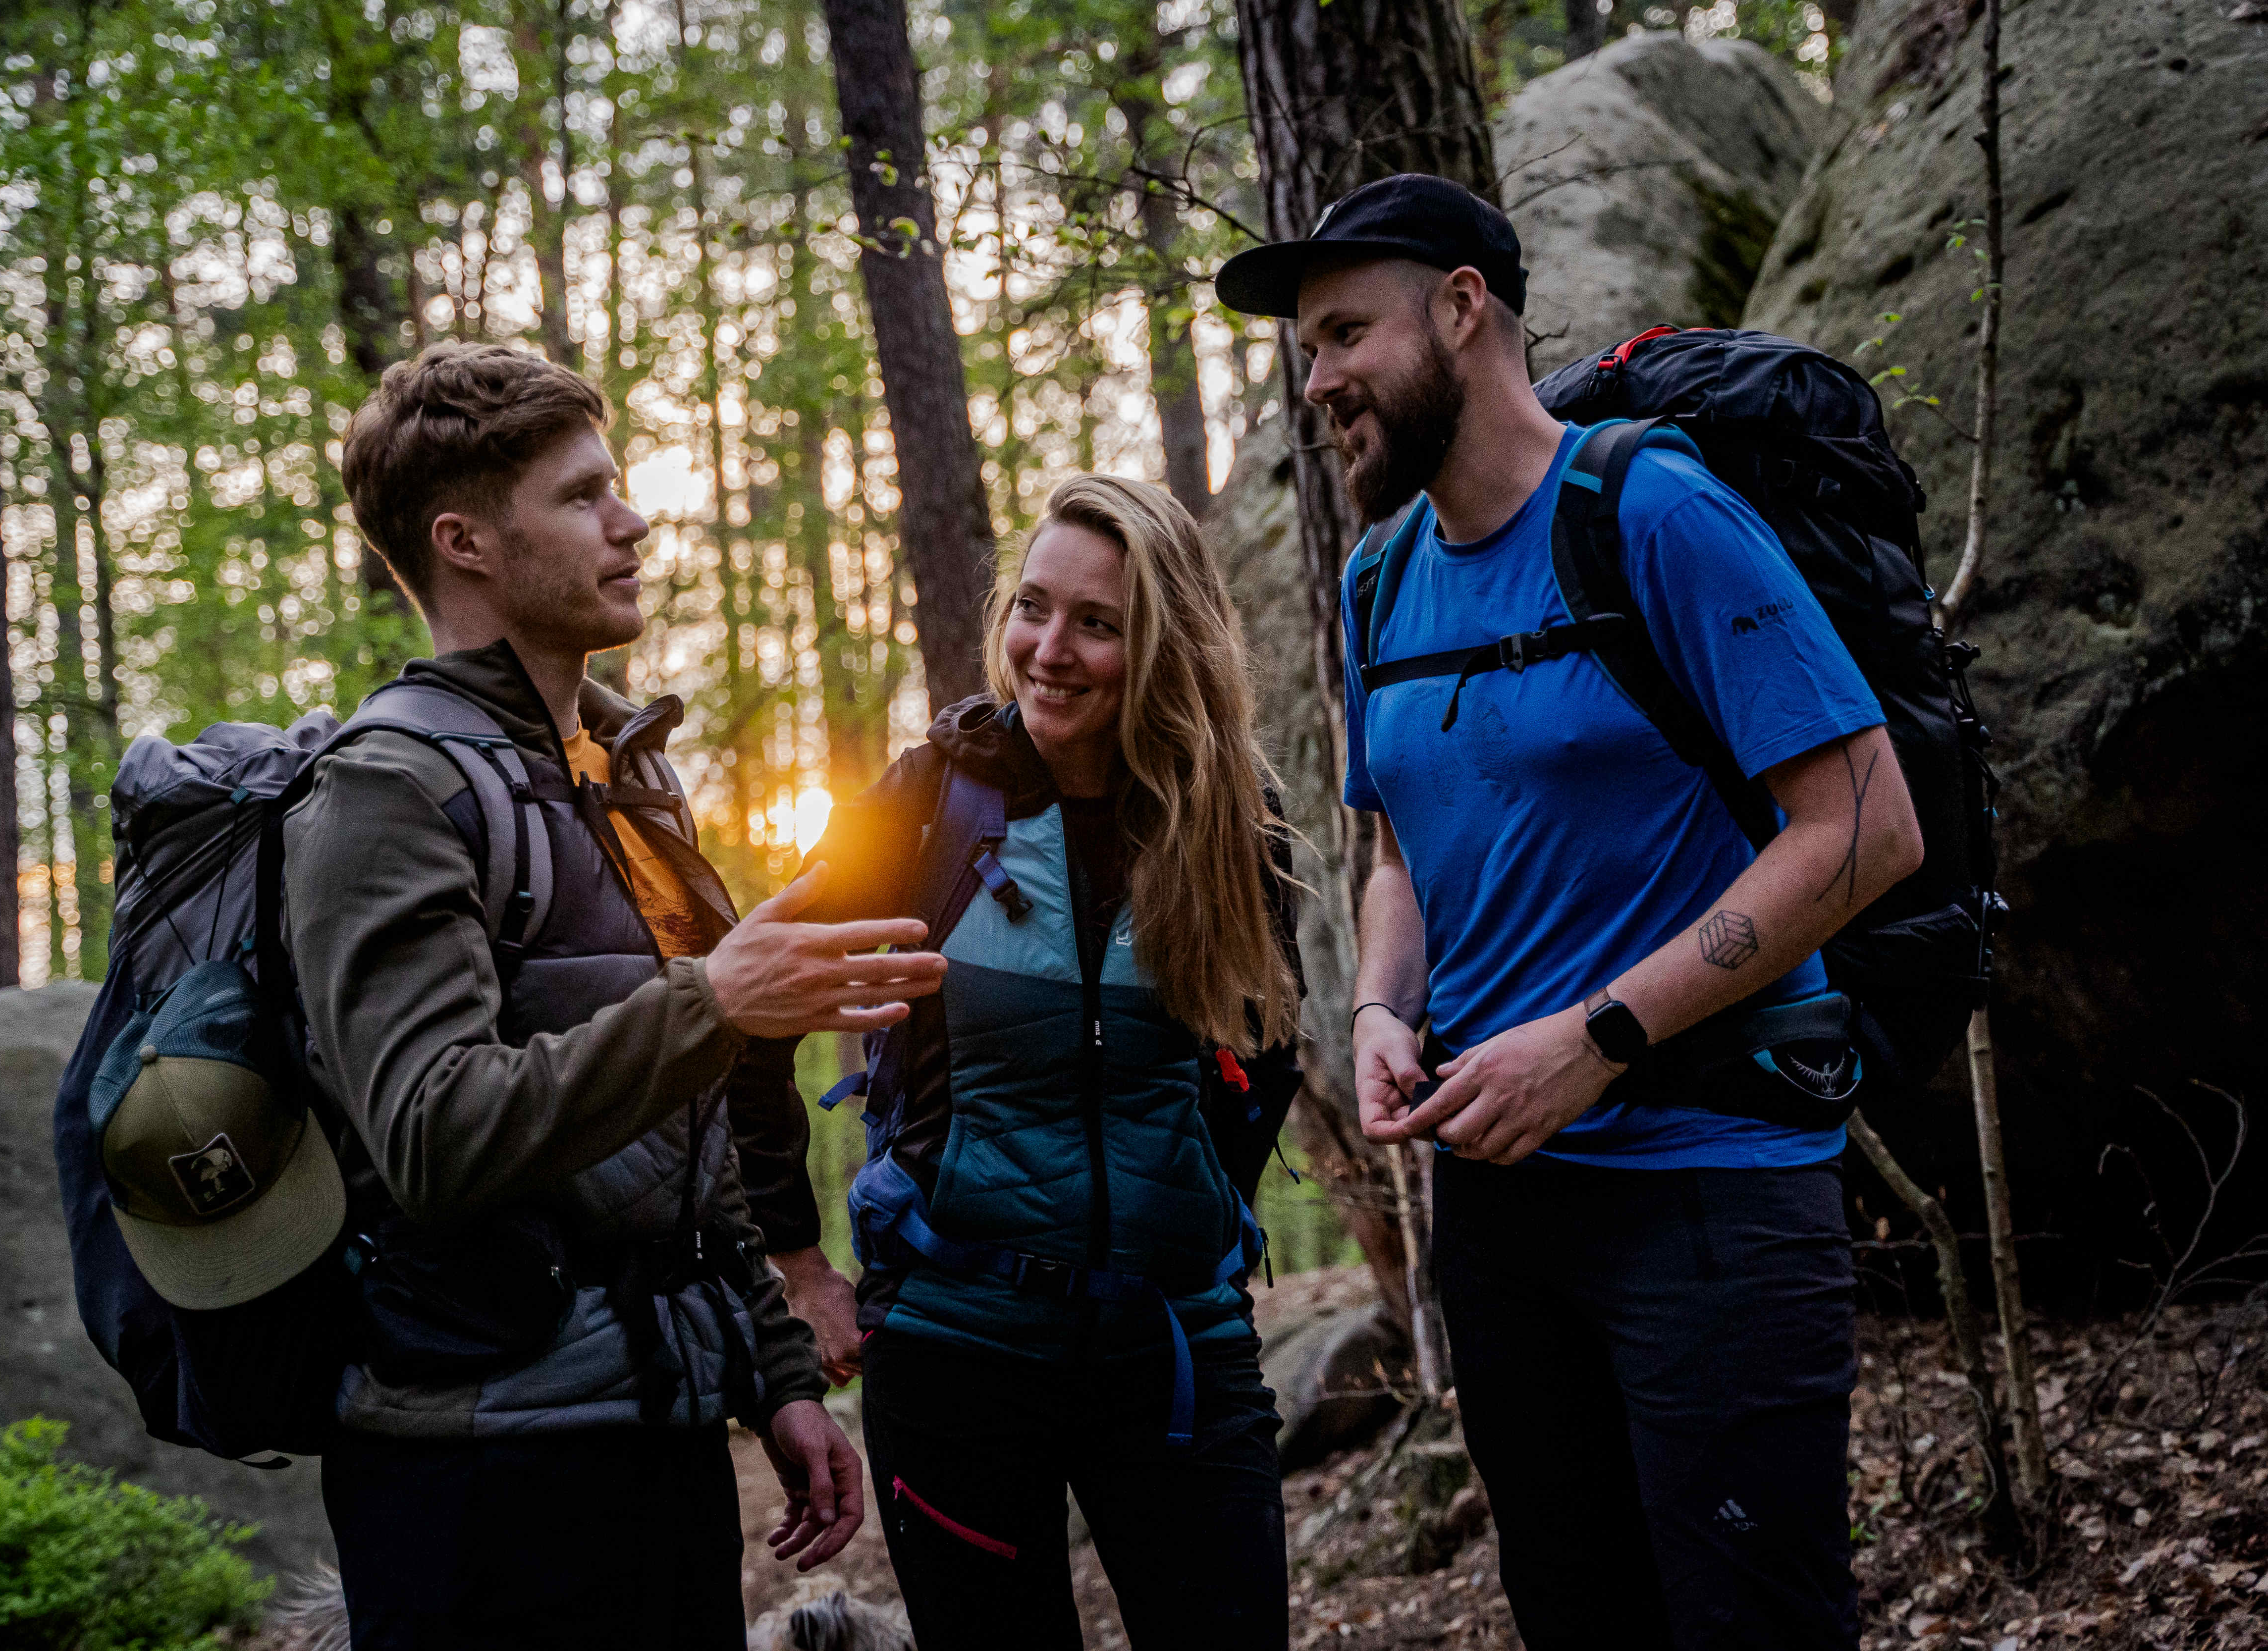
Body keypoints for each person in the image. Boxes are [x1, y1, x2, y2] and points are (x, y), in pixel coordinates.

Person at [1215, 175, 1928, 1649]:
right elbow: (1397, 852)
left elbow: (1865, 826)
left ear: (1461, 307)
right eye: (1306, 347)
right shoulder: (1378, 579)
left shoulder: (1654, 509)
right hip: (1500, 1220)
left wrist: (1596, 1037)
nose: (1317, 380)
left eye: (1345, 333)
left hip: (1711, 1190)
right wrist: (1379, 1008)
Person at [286, 341, 947, 1648]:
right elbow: (430, 1131)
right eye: (584, 495)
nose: (631, 520)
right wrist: (713, 1002)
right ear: (466, 541)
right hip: (477, 1474)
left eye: (617, 485)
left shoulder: (624, 773)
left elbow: (679, 1145)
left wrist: (774, 1372)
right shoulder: (385, 790)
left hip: (657, 1434)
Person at [791, 476, 1303, 1651]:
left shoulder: (1231, 814)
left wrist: (1189, 1211)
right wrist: (798, 1265)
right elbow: (746, 1004)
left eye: (1097, 622)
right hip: (955, 1348)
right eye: (1032, 607)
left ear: (1164, 644)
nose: (1049, 649)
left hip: (1177, 1353)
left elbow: (1267, 1044)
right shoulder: (929, 800)